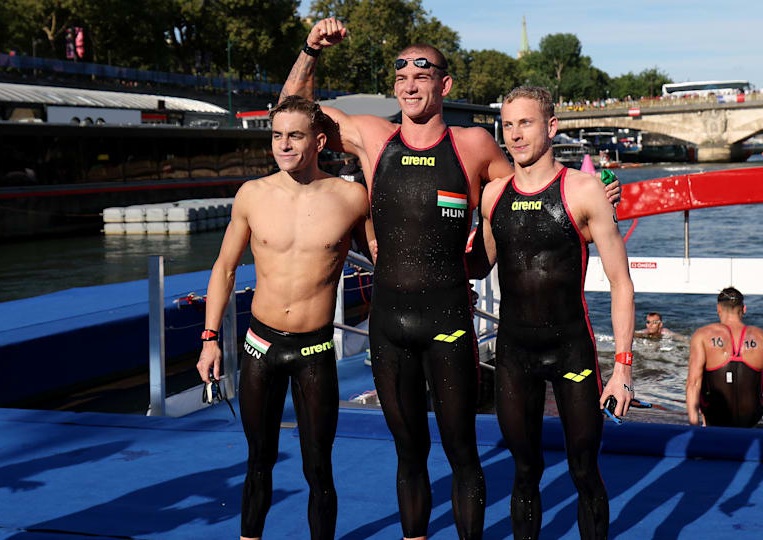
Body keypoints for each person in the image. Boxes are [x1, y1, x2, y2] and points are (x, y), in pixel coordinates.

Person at [279, 18, 620, 540]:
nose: (410, 85)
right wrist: (310, 51)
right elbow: (293, 114)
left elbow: (530, 203)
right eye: (401, 77)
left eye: (423, 74)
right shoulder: (373, 138)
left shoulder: (476, 144)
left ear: (445, 85)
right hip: (389, 323)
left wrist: (590, 208)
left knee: (463, 455)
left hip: (450, 321)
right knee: (409, 455)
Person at [196, 96, 369, 540]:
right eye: (277, 135)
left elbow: (387, 264)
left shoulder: (351, 197)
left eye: (295, 135)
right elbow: (225, 268)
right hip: (260, 346)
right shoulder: (253, 194)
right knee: (258, 461)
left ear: (319, 141)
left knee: (318, 466)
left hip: (314, 350)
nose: (284, 144)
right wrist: (210, 338)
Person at [471, 86, 635, 540]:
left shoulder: (583, 190)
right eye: (507, 124)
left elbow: (621, 283)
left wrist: (623, 368)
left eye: (525, 123)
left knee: (583, 469)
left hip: (571, 351)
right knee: (524, 471)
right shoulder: (492, 196)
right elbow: (475, 265)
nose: (515, 134)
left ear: (550, 126)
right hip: (514, 353)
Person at [686, 287, 763, 430]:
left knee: (702, 381)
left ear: (718, 308)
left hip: (715, 416)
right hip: (751, 417)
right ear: (744, 309)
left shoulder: (703, 335)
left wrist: (693, 426)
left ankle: (705, 428)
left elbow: (693, 383)